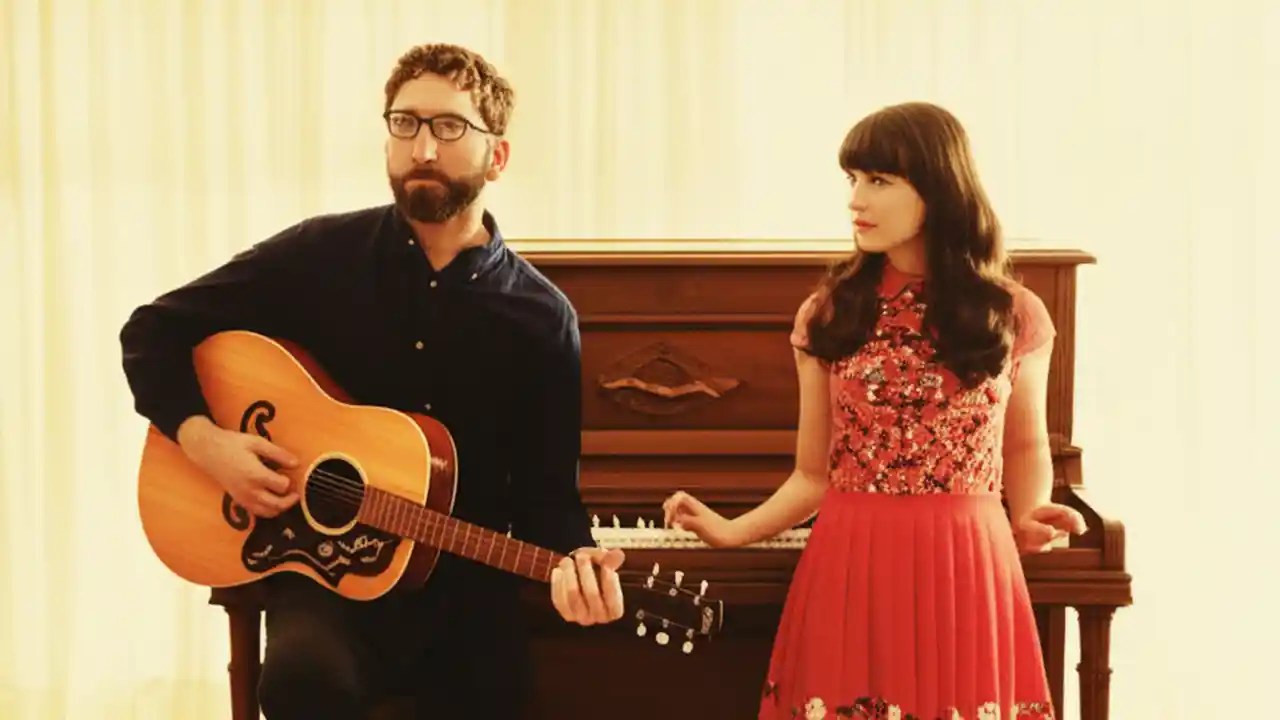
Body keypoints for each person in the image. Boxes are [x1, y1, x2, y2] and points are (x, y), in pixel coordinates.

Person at [119, 42, 625, 719]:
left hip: (463, 591)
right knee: (301, 680)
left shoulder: (540, 319)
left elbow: (547, 500)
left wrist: (577, 565)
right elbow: (152, 331)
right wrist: (207, 441)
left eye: (449, 127)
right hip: (320, 583)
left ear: (496, 156)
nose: (422, 148)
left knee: (498, 695)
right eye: (405, 123)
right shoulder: (317, 257)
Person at [662, 101, 1086, 720]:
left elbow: (1024, 448)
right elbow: (813, 474)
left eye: (879, 181)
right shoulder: (830, 313)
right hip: (853, 563)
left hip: (968, 562)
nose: (856, 200)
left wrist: (1030, 513)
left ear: (941, 187)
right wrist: (731, 530)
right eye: (853, 180)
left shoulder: (1015, 312)